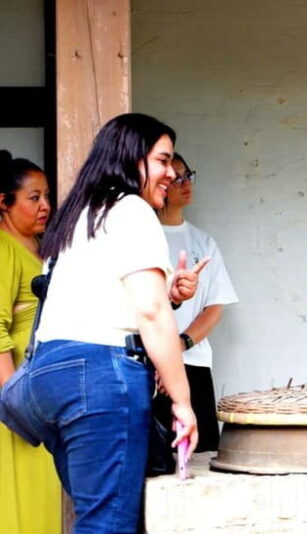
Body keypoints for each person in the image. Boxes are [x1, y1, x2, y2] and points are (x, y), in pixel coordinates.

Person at [19, 113, 203, 533]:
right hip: (99, 376)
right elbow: (150, 313)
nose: (171, 174)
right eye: (162, 160)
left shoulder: (77, 215)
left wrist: (168, 293)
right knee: (110, 523)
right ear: (131, 158)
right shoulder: (132, 209)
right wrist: (182, 399)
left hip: (51, 376)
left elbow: (99, 298)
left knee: (96, 515)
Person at [154, 153, 238, 453]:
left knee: (200, 456)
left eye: (187, 175)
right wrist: (162, 350)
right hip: (148, 366)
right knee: (156, 457)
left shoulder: (203, 242)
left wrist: (182, 343)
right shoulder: (144, 237)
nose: (184, 183)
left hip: (194, 362)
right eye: (176, 177)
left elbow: (216, 306)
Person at [0, 150, 61, 533]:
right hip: (16, 396)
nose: (45, 206)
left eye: (47, 197)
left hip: (40, 394)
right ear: (4, 203)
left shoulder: (40, 252)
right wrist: (11, 397)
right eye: (33, 197)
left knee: (43, 493)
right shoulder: (3, 250)